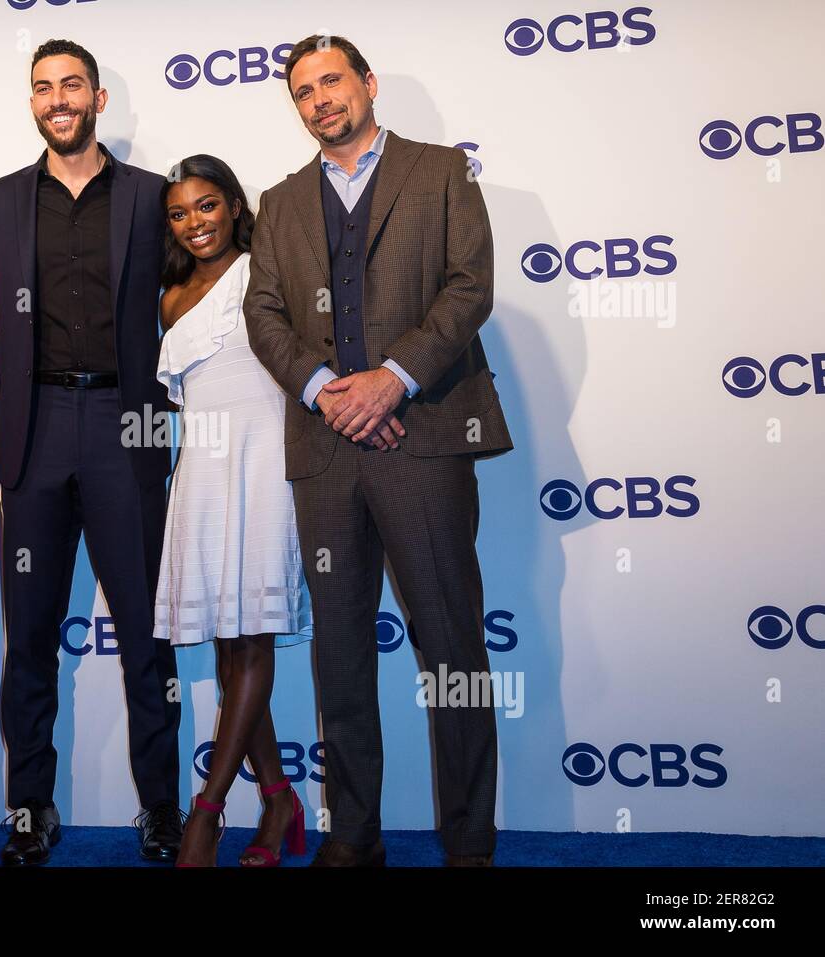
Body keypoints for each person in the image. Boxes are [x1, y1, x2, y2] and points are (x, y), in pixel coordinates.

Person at [243, 35, 514, 867]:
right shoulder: (280, 200)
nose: (320, 100)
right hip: (327, 450)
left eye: (332, 82)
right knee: (341, 652)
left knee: (452, 650)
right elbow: (264, 314)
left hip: (425, 439)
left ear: (367, 84)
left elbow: (470, 285)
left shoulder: (441, 172)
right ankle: (353, 838)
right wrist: (329, 387)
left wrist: (391, 380)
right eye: (303, 91)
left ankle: (469, 845)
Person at [0, 39, 183, 865]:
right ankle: (29, 807)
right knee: (28, 636)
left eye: (72, 86)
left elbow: (194, 290)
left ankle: (161, 808)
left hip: (127, 428)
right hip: (35, 428)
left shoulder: (152, 196)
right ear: (32, 103)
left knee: (147, 634)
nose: (57, 99)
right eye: (42, 88)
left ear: (98, 98)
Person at [154, 155, 313, 868]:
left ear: (234, 206)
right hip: (204, 473)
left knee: (249, 641)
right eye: (181, 213)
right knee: (228, 645)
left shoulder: (265, 269)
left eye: (208, 206)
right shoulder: (170, 297)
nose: (196, 223)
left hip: (265, 464)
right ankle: (278, 796)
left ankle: (207, 813)